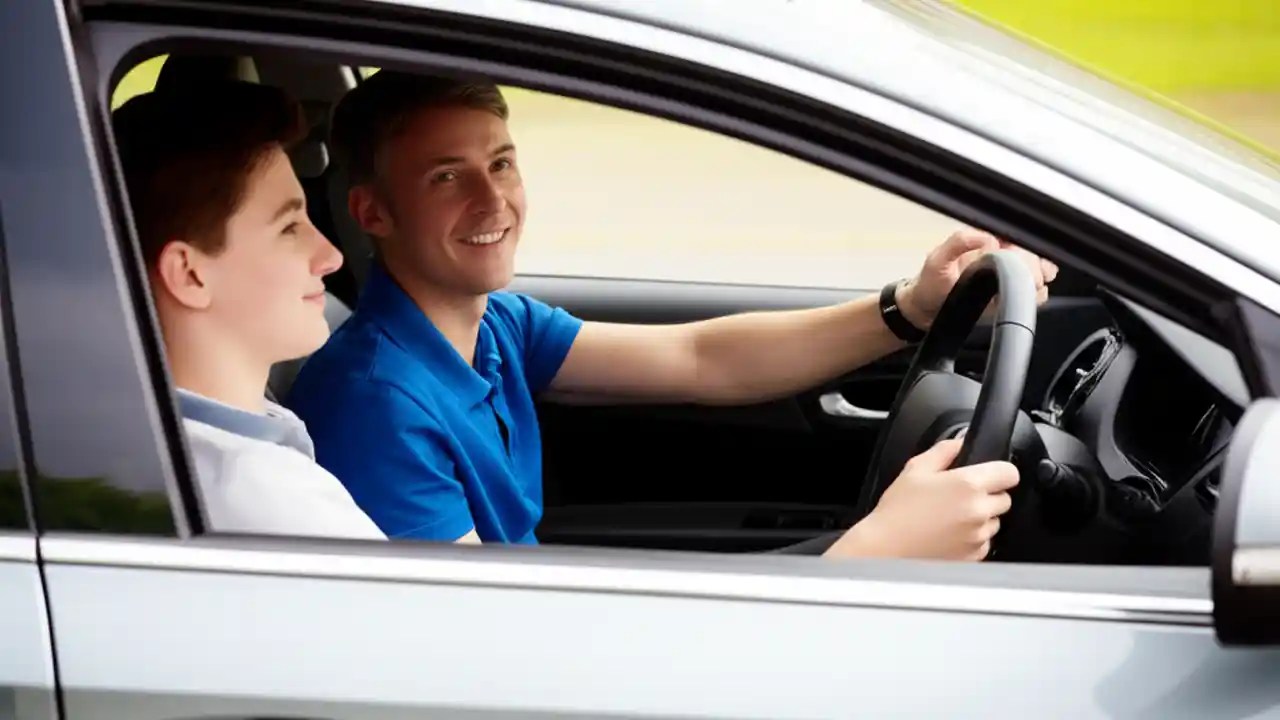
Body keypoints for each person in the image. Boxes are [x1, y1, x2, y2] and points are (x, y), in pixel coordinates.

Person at [286, 71, 1058, 558]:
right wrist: (877, 552)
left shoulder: (494, 327)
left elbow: (702, 359)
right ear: (372, 212)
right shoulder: (374, 404)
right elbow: (484, 653)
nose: (492, 201)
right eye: (447, 177)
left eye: (502, 163)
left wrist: (911, 309)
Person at [112, 80, 383, 540]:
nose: (331, 256)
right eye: (289, 227)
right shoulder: (267, 503)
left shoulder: (146, 438)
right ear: (190, 274)